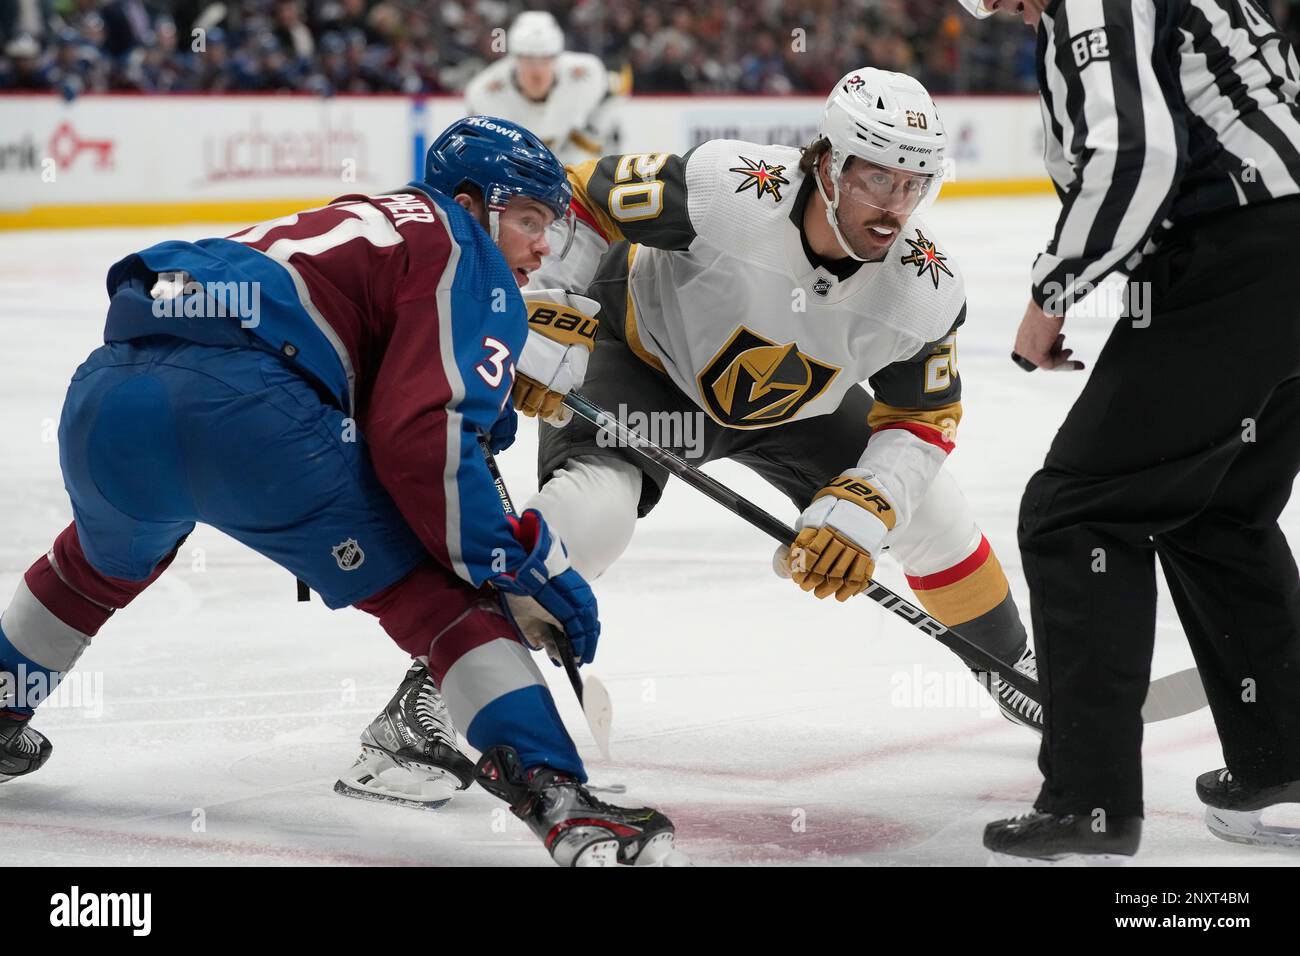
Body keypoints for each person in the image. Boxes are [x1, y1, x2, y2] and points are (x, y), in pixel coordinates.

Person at [343, 68, 1047, 812]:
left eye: (915, 184)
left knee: (929, 512)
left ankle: (1012, 666)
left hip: (797, 408)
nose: (895, 207)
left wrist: (866, 507)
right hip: (642, 365)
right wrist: (547, 310)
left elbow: (921, 420)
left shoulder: (926, 286)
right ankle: (423, 708)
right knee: (590, 522)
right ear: (827, 164)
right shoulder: (728, 186)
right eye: (877, 178)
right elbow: (582, 198)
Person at [0, 114, 680, 868]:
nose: (541, 246)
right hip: (244, 414)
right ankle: (562, 802)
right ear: (472, 200)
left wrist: (483, 401)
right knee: (440, 602)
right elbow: (422, 440)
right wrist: (521, 561)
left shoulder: (371, 219)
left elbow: (373, 372)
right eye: (527, 218)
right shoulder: (463, 244)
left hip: (106, 399)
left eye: (548, 226)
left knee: (91, 567)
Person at [957, 0, 1300, 863]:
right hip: (1277, 254)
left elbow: (1135, 155)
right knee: (1218, 510)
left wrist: (1052, 291)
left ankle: (1092, 801)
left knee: (1079, 512)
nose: (1004, 12)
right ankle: (1281, 759)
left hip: (1247, 256)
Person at [464, 10, 621, 166]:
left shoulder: (586, 73)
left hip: (570, 155)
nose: (537, 71)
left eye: (545, 59)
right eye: (528, 60)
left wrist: (588, 137)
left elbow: (613, 93)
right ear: (514, 59)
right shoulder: (484, 92)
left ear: (557, 58)